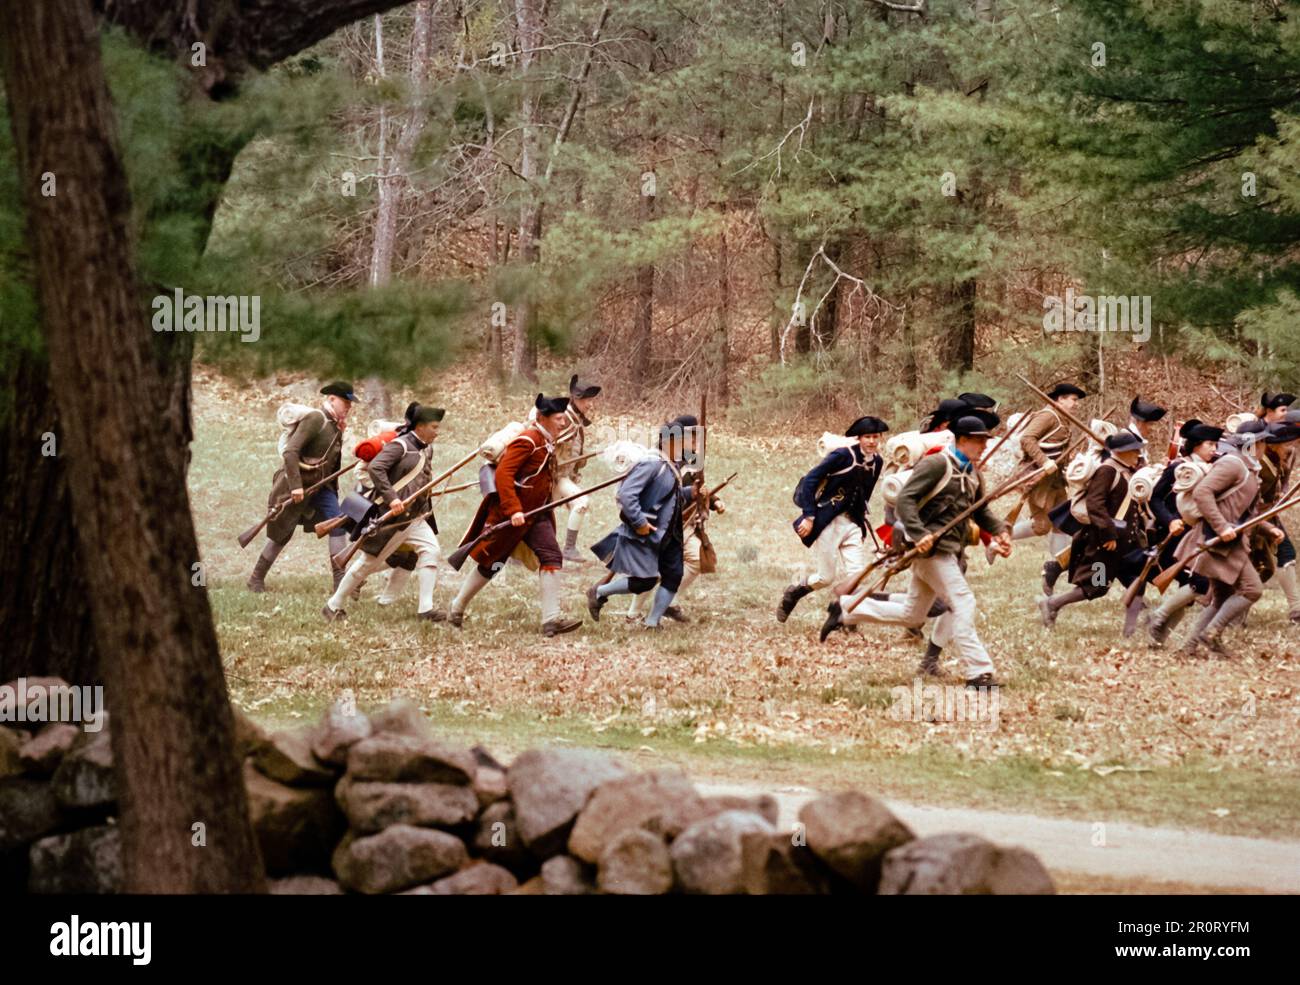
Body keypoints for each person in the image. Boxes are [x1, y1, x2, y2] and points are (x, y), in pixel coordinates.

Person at [826, 414, 1013, 688]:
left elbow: (980, 509)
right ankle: (979, 673)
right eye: (979, 441)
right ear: (962, 440)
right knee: (963, 602)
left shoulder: (973, 473)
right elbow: (905, 500)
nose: (984, 447)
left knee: (912, 615)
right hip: (930, 551)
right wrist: (919, 533)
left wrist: (999, 530)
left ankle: (844, 610)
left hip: (946, 550)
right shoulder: (937, 464)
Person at [448, 394, 582, 637]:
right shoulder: (528, 440)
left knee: (552, 556)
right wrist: (513, 510)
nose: (563, 423)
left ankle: (551, 620)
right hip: (512, 516)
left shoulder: (546, 441)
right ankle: (456, 608)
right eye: (559, 418)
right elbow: (503, 475)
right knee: (492, 564)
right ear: (543, 418)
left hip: (536, 516)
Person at [323, 403, 446, 622]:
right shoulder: (400, 445)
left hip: (415, 517)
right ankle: (333, 605)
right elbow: (376, 468)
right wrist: (393, 498)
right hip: (391, 517)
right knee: (366, 564)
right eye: (434, 427)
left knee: (431, 551)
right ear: (420, 426)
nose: (437, 432)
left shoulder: (427, 448)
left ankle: (426, 609)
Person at [1173, 428, 1281, 656]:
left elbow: (1249, 514)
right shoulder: (1232, 464)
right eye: (1262, 442)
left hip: (1231, 541)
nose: (1265, 447)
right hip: (1219, 539)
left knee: (1221, 597)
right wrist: (1222, 526)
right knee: (1252, 590)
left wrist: (1269, 529)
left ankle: (1188, 647)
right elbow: (1202, 492)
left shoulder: (1249, 469)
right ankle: (1211, 633)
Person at [587, 415, 700, 629]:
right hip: (649, 531)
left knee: (674, 575)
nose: (689, 445)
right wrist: (639, 522)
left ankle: (652, 622)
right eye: (685, 440)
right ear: (671, 441)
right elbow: (626, 494)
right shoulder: (652, 463)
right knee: (644, 581)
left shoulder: (671, 465)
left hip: (669, 533)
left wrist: (690, 492)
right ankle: (599, 592)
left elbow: (670, 495)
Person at [777, 415, 888, 622]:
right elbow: (810, 480)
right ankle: (795, 591)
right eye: (867, 437)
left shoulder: (877, 462)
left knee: (856, 576)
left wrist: (861, 519)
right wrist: (809, 516)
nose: (872, 441)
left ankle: (847, 620)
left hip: (853, 524)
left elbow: (866, 493)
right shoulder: (842, 455)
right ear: (859, 438)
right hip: (829, 521)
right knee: (825, 577)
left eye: (875, 437)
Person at [247, 381, 355, 593]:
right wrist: (296, 486)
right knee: (282, 532)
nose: (349, 407)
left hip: (322, 488)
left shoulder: (336, 426)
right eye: (346, 402)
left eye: (350, 404)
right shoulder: (316, 419)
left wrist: (331, 490)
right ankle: (256, 578)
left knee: (337, 524)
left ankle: (339, 582)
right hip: (297, 485)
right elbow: (290, 452)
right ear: (332, 399)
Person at [1036, 430, 1147, 630]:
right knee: (1096, 585)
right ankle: (1052, 603)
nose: (1137, 455)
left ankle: (1131, 631)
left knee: (1137, 581)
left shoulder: (1127, 471)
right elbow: (1095, 504)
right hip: (1103, 543)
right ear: (1122, 452)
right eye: (1133, 451)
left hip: (1125, 543)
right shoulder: (1107, 471)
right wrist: (1108, 534)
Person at [1145, 420, 1220, 646]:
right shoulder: (1178, 467)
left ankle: (1158, 636)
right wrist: (1170, 521)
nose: (1214, 449)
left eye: (1215, 444)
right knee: (1200, 583)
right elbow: (1155, 498)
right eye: (1210, 444)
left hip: (1198, 534)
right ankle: (1158, 617)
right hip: (1176, 536)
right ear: (1196, 445)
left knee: (1190, 591)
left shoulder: (1212, 467)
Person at [1008, 381, 1086, 596]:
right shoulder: (1048, 416)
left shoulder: (1062, 418)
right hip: (1039, 479)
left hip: (1055, 480)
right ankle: (999, 538)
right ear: (1060, 399)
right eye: (1073, 399)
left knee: (1062, 522)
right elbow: (1027, 438)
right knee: (1042, 526)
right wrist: (1044, 461)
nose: (1076, 404)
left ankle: (1052, 571)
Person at [550, 374, 602, 563]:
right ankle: (569, 548)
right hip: (552, 476)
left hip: (561, 476)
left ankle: (567, 548)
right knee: (581, 502)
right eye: (587, 400)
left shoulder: (574, 419)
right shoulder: (564, 419)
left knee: (542, 516)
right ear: (576, 399)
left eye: (591, 400)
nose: (590, 405)